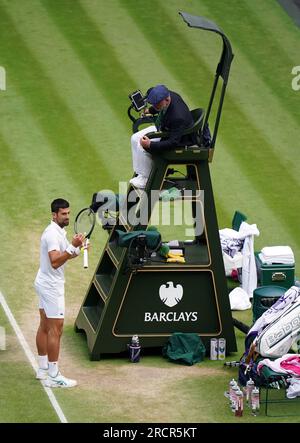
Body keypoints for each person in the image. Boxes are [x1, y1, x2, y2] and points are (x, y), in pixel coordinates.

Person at [34, 198, 84, 388]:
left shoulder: (58, 232)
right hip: (51, 287)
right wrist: (73, 247)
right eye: (63, 214)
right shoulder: (52, 235)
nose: (67, 217)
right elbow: (55, 261)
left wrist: (77, 248)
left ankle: (42, 369)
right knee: (56, 328)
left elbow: (65, 255)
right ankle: (54, 376)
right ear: (54, 215)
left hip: (44, 282)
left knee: (45, 325)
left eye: (68, 213)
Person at [130, 84, 196, 189]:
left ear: (166, 100)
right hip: (165, 128)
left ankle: (147, 179)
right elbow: (158, 107)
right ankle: (140, 173)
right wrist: (150, 110)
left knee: (142, 147)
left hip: (179, 138)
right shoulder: (168, 97)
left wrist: (150, 144)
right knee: (134, 138)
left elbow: (173, 143)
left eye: (157, 105)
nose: (155, 107)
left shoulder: (177, 117)